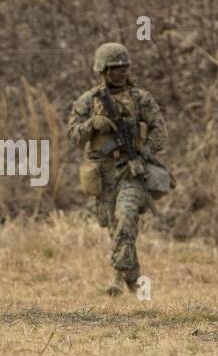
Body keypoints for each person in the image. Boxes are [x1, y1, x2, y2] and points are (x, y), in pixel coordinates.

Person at [66, 43, 169, 295]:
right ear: (103, 70)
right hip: (103, 173)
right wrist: (93, 124)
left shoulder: (140, 98)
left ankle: (117, 279)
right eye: (115, 68)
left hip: (130, 170)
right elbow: (73, 136)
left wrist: (143, 153)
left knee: (126, 217)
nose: (121, 72)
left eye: (124, 67)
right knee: (115, 228)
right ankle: (133, 280)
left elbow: (160, 131)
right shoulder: (89, 101)